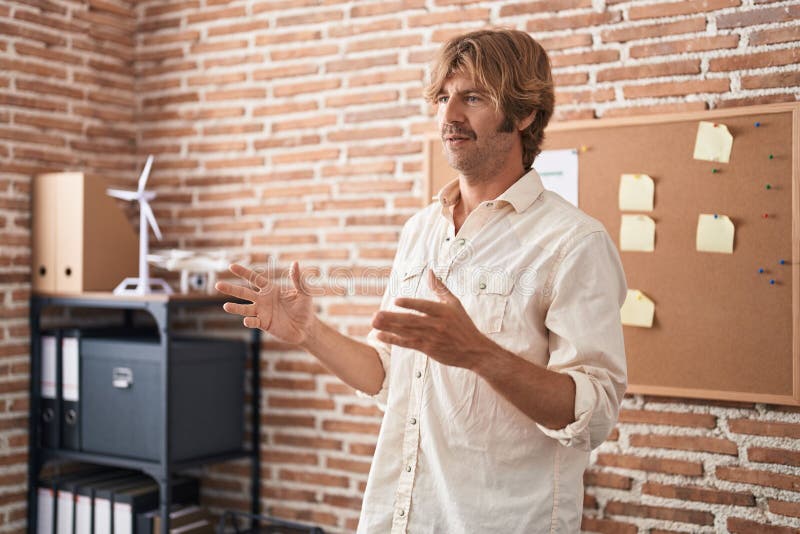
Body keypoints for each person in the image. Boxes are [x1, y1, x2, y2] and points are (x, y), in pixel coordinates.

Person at [216, 29, 627, 534]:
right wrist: (310, 334)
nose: (449, 116)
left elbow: (593, 414)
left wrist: (477, 353)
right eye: (442, 97)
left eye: (472, 97)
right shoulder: (420, 231)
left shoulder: (573, 243)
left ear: (524, 114)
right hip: (400, 518)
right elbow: (389, 376)